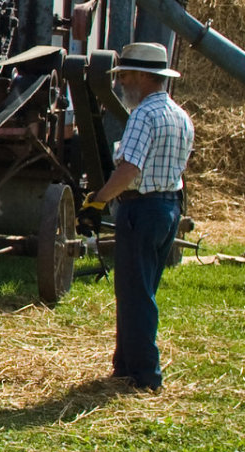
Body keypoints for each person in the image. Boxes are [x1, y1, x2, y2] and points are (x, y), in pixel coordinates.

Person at [83, 42, 195, 392]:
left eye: (126, 76)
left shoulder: (143, 116)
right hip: (168, 207)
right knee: (141, 290)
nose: (121, 83)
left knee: (135, 295)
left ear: (144, 77)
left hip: (141, 210)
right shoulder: (180, 116)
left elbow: (130, 169)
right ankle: (126, 367)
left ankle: (146, 377)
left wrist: (97, 201)